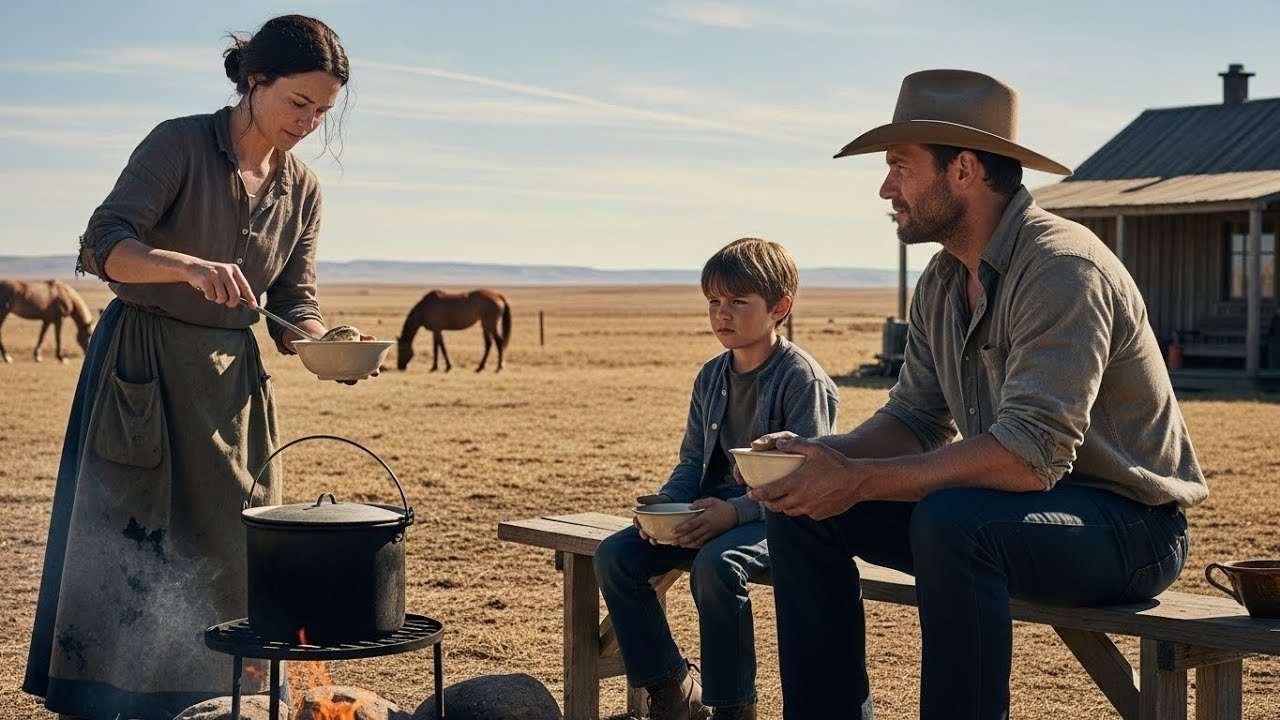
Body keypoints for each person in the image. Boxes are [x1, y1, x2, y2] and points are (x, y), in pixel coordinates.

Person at [747, 69, 1207, 720]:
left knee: (952, 521)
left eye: (900, 167)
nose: (886, 188)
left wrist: (856, 478)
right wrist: (822, 461)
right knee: (802, 506)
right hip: (1017, 514)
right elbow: (913, 418)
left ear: (962, 169)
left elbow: (1026, 457)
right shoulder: (941, 281)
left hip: (1130, 528)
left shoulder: (1061, 268)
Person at [23, 15, 366, 720]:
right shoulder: (178, 142)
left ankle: (215, 698)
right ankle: (109, 700)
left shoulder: (302, 189)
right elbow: (104, 244)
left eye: (323, 112)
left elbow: (294, 301)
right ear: (253, 80)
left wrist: (322, 343)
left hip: (233, 387)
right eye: (298, 103)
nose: (308, 123)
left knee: (236, 541)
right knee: (131, 537)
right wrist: (182, 266)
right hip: (140, 371)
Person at [594, 238, 840, 720]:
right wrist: (665, 508)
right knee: (615, 555)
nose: (721, 313)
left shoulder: (801, 379)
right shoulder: (710, 375)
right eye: (714, 302)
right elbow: (692, 460)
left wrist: (734, 513)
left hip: (782, 518)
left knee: (715, 567)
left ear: (779, 308)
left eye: (737, 302)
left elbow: (807, 478)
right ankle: (671, 687)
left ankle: (733, 706)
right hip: (710, 515)